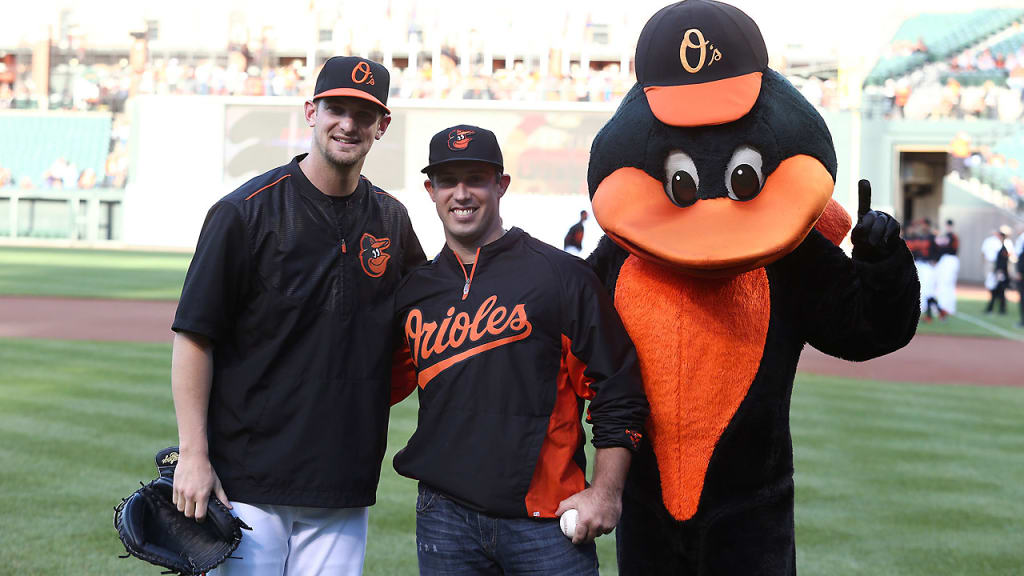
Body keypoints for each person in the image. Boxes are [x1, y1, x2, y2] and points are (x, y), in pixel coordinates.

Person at [170, 56, 425, 576]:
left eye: (363, 113)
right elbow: (194, 337)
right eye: (336, 109)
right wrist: (193, 455)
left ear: (382, 125)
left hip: (344, 480)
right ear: (311, 112)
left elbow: (429, 321)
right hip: (247, 480)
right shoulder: (244, 212)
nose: (348, 124)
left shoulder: (391, 220)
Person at [391, 124, 650, 575]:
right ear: (431, 191)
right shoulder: (417, 291)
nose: (462, 193)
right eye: (448, 181)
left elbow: (618, 388)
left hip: (544, 520)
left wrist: (606, 492)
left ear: (501, 184)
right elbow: (371, 381)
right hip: (443, 517)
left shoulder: (561, 277)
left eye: (476, 178)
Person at [932, 219, 960, 317]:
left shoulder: (951, 236)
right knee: (947, 285)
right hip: (949, 260)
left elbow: (942, 246)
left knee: (944, 284)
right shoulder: (950, 236)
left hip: (949, 260)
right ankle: (948, 308)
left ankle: (944, 308)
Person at [984, 225, 1013, 315]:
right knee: (997, 290)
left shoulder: (1004, 248)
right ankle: (994, 309)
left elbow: (1003, 262)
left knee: (999, 291)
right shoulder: (1002, 247)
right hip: (999, 272)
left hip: (1001, 273)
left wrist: (1000, 272)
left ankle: (999, 309)